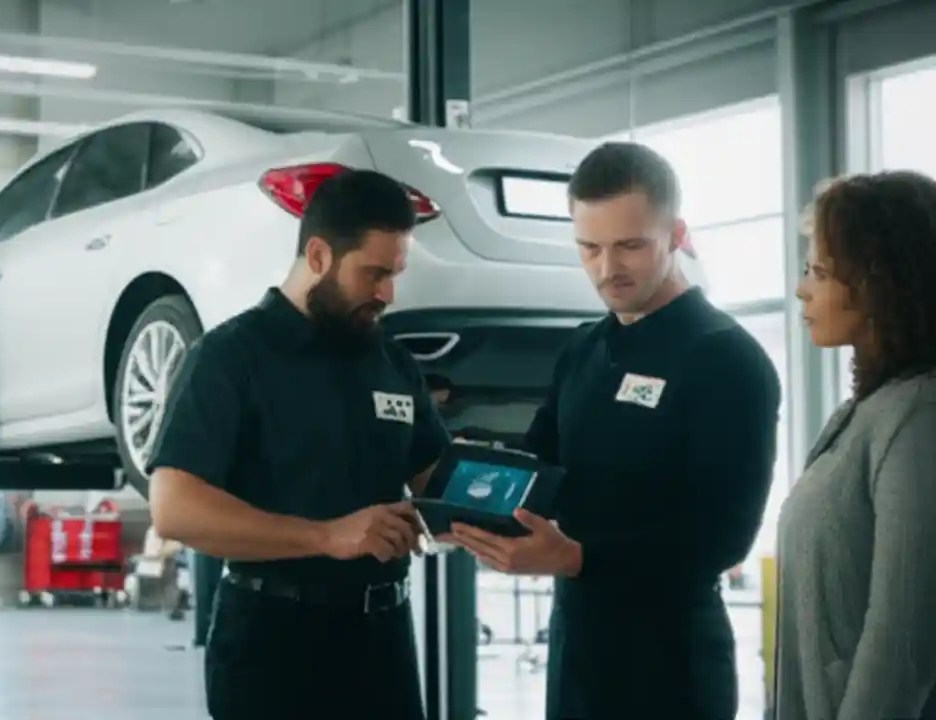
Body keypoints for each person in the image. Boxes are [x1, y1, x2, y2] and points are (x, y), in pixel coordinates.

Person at [446, 141, 782, 720]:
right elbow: (539, 469)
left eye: (630, 246)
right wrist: (446, 493)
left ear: (676, 235)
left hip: (671, 664)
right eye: (590, 248)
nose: (607, 270)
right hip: (578, 651)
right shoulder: (584, 349)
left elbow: (723, 538)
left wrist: (580, 558)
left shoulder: (726, 358)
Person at [145, 168, 450, 720]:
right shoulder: (230, 358)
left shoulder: (391, 362)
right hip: (274, 643)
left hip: (385, 644)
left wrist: (515, 499)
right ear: (318, 255)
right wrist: (327, 537)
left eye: (395, 274)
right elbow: (174, 509)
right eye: (374, 273)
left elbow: (440, 481)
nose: (387, 293)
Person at [775, 171, 936, 720]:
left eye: (819, 273)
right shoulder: (861, 412)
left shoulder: (918, 415)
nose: (802, 289)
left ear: (879, 285)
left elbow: (902, 648)